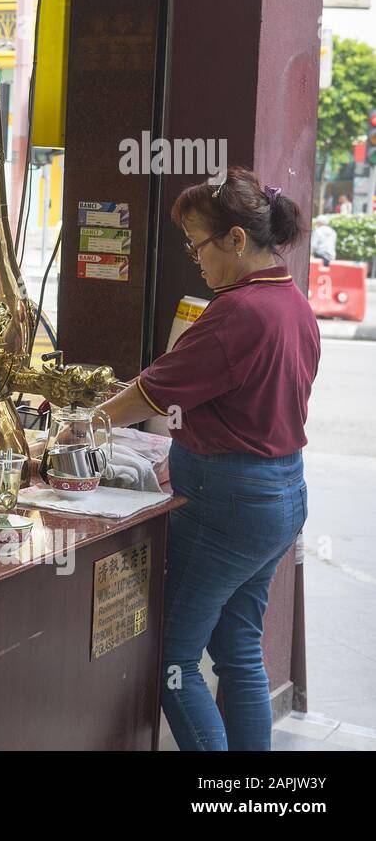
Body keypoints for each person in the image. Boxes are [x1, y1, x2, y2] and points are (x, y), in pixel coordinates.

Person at [96, 168, 317, 751]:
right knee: (240, 649)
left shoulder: (237, 313)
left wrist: (82, 425)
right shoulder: (291, 301)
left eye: (198, 245)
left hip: (229, 506)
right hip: (281, 494)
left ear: (237, 240)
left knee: (173, 660)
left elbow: (151, 393)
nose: (196, 260)